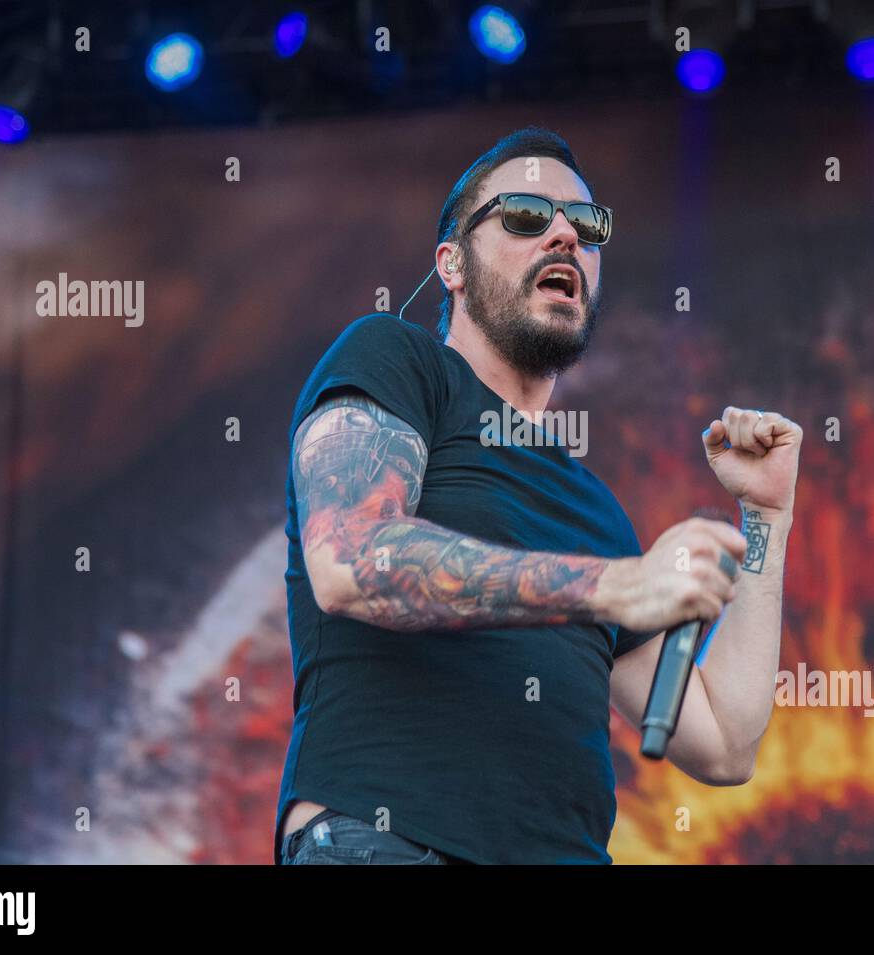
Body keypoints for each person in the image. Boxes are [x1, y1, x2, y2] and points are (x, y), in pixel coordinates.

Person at [275, 126, 801, 865]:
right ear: (451, 264)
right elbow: (351, 558)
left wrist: (766, 517)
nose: (563, 235)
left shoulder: (593, 511)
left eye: (587, 227)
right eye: (526, 215)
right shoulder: (396, 360)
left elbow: (724, 741)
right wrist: (618, 585)